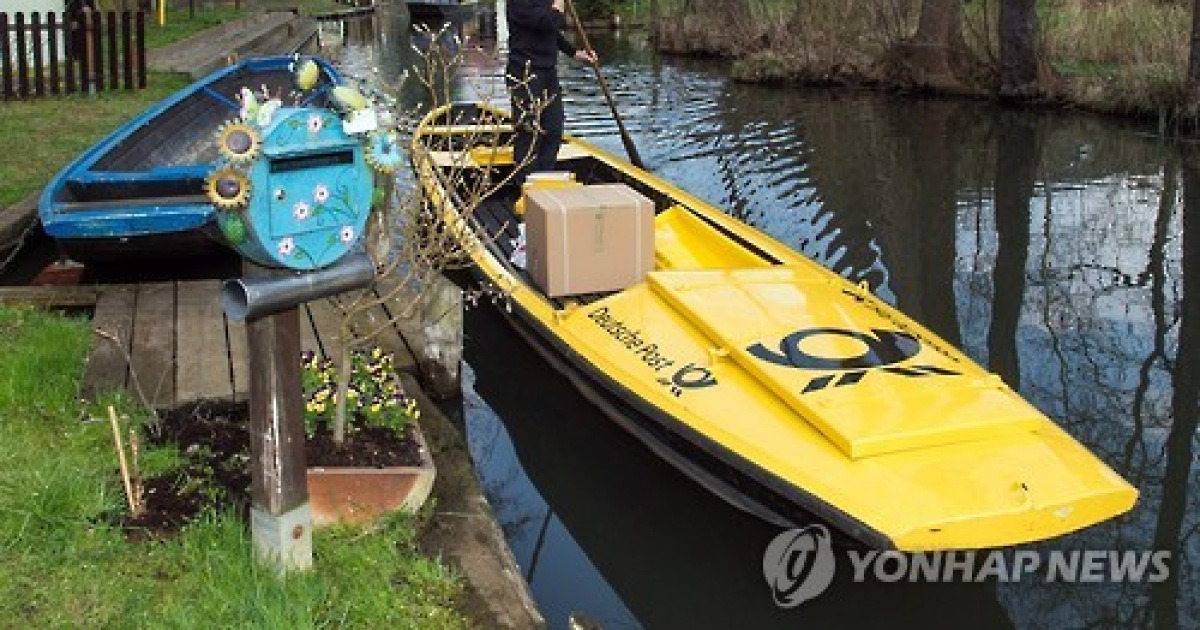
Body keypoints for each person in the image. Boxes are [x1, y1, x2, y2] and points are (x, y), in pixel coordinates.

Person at [505, 0, 597, 189]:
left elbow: (551, 33)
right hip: (524, 73)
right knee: (528, 133)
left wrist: (574, 53)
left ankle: (544, 179)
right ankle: (524, 187)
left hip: (548, 71)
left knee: (553, 129)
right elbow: (548, 21)